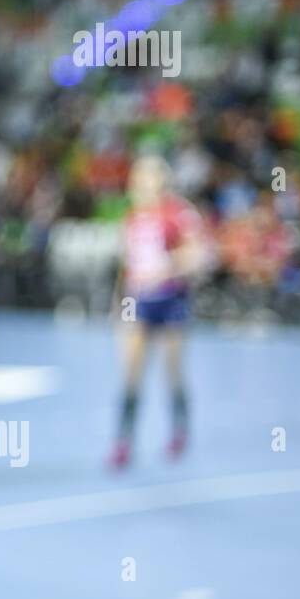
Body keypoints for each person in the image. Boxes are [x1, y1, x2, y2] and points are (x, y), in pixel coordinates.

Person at [109, 155, 206, 470]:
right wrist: (119, 304)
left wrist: (166, 269)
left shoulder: (178, 213)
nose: (139, 184)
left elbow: (197, 255)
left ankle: (179, 429)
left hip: (171, 299)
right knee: (131, 372)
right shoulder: (132, 217)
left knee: (172, 369)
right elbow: (127, 267)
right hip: (138, 300)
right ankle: (123, 441)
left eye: (146, 178)